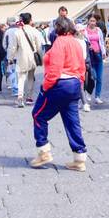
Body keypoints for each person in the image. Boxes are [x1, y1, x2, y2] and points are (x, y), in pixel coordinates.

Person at [28, 17, 88, 171]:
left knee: (38, 115)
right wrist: (79, 81)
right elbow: (82, 66)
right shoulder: (76, 42)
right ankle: (79, 157)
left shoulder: (59, 43)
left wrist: (45, 87)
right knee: (72, 121)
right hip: (74, 84)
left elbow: (55, 69)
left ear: (59, 28)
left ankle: (43, 151)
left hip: (60, 84)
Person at [12, 13, 42, 107]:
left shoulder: (17, 32)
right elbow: (39, 46)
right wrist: (41, 57)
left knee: (21, 78)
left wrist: (10, 57)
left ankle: (20, 97)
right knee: (31, 77)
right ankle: (29, 97)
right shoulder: (35, 31)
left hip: (22, 57)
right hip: (32, 57)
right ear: (30, 20)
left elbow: (13, 47)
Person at [83, 13, 107, 107]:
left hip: (98, 54)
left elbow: (101, 41)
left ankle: (97, 96)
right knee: (93, 76)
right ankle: (88, 92)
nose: (92, 23)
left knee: (100, 78)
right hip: (90, 56)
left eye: (94, 21)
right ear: (88, 21)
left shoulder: (98, 30)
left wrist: (104, 52)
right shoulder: (84, 30)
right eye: (91, 21)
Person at [3, 17, 21, 97]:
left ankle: (15, 89)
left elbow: (4, 44)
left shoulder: (7, 32)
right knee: (20, 72)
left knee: (12, 72)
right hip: (20, 54)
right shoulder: (20, 30)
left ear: (8, 22)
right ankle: (20, 89)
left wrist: (8, 52)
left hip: (11, 55)